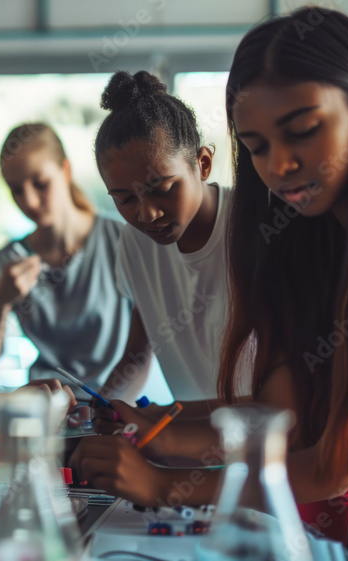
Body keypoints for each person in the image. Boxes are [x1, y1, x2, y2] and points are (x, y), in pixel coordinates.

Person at [72, 8, 348, 556]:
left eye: (302, 130)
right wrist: (169, 421)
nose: (279, 166)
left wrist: (162, 483)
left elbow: (328, 465)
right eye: (255, 146)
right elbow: (284, 410)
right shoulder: (310, 240)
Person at [95, 70, 234, 408]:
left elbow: (277, 397)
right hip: (188, 447)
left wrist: (168, 426)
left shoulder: (249, 228)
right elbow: (139, 355)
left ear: (202, 164)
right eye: (124, 199)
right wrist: (99, 409)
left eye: (163, 190)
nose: (147, 215)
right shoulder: (135, 243)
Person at [0, 123, 141, 399]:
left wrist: (106, 413)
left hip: (116, 407)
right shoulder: (3, 264)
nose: (30, 202)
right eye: (16, 190)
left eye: (41, 184)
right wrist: (0, 302)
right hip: (47, 411)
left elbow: (143, 353)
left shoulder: (123, 242)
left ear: (66, 170)